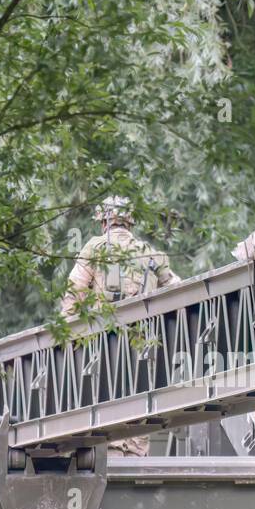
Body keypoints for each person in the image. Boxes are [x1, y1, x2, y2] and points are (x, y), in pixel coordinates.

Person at [61, 195, 181, 456]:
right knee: (141, 395)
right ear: (130, 222)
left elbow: (75, 291)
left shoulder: (94, 247)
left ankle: (113, 450)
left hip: (105, 341)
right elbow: (178, 290)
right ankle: (137, 455)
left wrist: (65, 337)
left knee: (107, 395)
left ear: (104, 221)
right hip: (145, 342)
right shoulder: (151, 253)